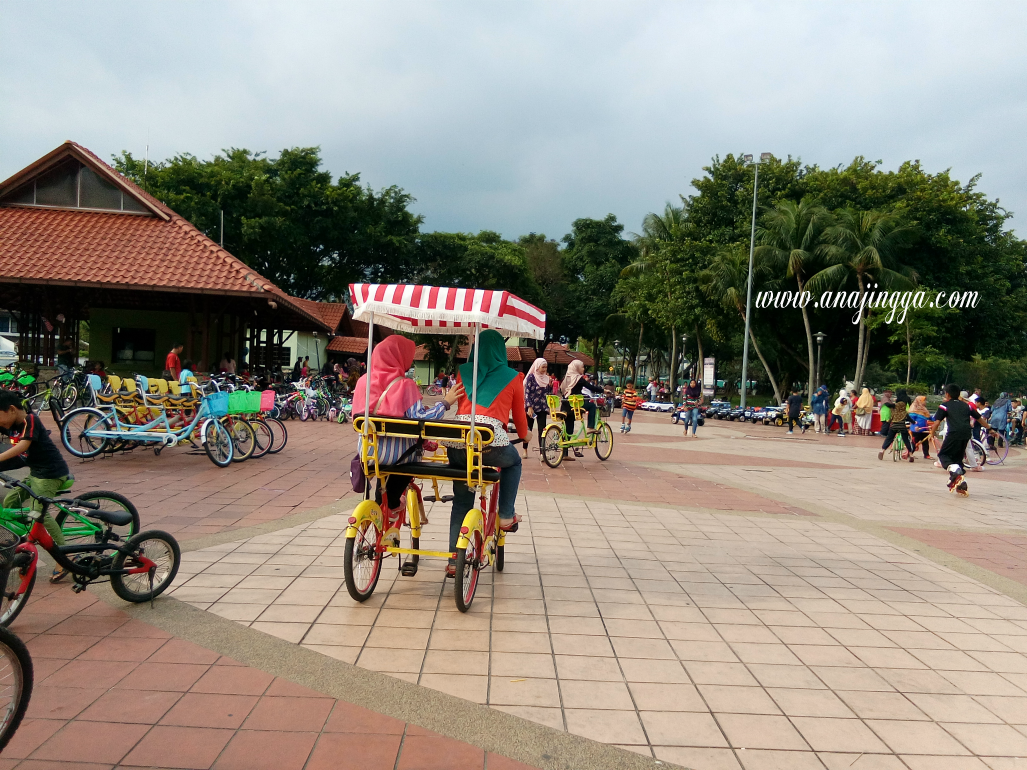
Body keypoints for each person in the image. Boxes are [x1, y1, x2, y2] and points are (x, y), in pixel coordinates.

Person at [353, 336, 461, 535]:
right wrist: (445, 403)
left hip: (369, 452)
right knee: (407, 461)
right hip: (399, 457)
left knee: (384, 466)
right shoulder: (405, 385)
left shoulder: (363, 382)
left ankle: (382, 505)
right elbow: (420, 419)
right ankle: (393, 505)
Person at [446, 330, 527, 575]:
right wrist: (526, 435)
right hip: (490, 444)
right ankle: (505, 515)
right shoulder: (513, 377)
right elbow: (520, 419)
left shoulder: (463, 372)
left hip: (459, 444)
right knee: (514, 463)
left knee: (461, 501)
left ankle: (453, 560)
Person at [0, 390, 73, 582]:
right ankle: (28, 537)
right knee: (10, 501)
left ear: (12, 409)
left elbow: (23, 446)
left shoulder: (30, 420)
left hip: (51, 473)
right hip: (35, 473)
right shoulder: (10, 423)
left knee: (38, 513)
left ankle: (65, 557)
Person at [929, 384, 987, 496]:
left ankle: (956, 472)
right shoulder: (967, 406)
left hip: (953, 433)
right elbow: (979, 418)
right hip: (966, 434)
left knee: (944, 455)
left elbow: (937, 422)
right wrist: (990, 429)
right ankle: (961, 483)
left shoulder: (944, 406)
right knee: (957, 458)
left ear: (947, 394)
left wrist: (932, 433)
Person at [561, 360, 597, 458]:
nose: (583, 369)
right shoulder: (579, 379)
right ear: (576, 368)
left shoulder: (566, 378)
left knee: (568, 429)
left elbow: (567, 391)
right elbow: (591, 388)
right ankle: (590, 427)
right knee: (592, 406)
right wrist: (603, 390)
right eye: (582, 367)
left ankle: (565, 454)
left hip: (565, 406)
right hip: (575, 406)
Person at [523, 358, 554, 461]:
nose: (544, 369)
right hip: (531, 408)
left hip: (542, 408)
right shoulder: (531, 377)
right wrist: (529, 407)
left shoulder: (547, 378)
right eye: (543, 367)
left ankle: (542, 453)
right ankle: (525, 450)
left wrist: (550, 386)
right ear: (537, 366)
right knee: (528, 429)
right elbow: (527, 393)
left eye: (546, 367)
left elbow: (547, 393)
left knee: (542, 430)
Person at [879, 388, 914, 462]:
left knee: (889, 438)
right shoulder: (904, 412)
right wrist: (914, 422)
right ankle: (911, 454)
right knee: (906, 440)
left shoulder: (894, 411)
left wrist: (889, 422)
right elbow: (909, 418)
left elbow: (890, 418)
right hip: (902, 426)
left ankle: (882, 451)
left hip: (894, 426)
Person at [908, 395, 932, 459]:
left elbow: (930, 418)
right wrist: (916, 426)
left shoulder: (924, 410)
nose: (925, 402)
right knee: (914, 442)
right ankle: (910, 454)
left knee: (925, 443)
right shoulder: (913, 410)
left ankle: (926, 455)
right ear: (919, 401)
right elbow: (911, 420)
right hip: (916, 429)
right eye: (924, 401)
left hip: (924, 429)